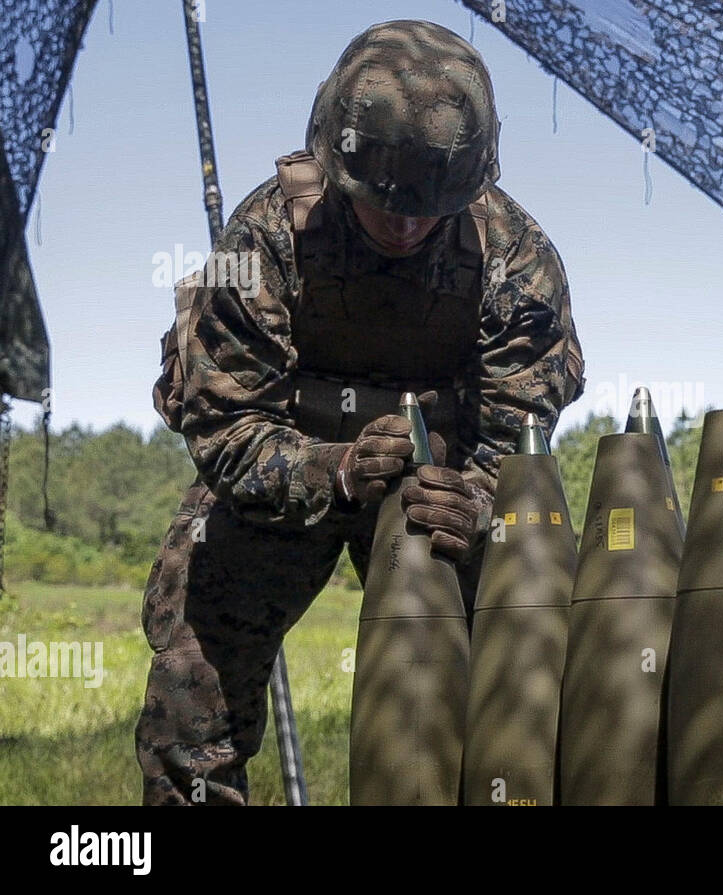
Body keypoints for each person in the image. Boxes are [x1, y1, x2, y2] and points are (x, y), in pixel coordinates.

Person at [136, 19, 584, 806]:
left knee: (539, 651)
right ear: (333, 164)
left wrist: (479, 499)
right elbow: (225, 427)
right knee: (191, 678)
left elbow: (520, 437)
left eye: (431, 209)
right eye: (386, 205)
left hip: (442, 491)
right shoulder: (265, 238)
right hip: (284, 482)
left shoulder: (516, 260)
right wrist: (334, 466)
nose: (408, 227)